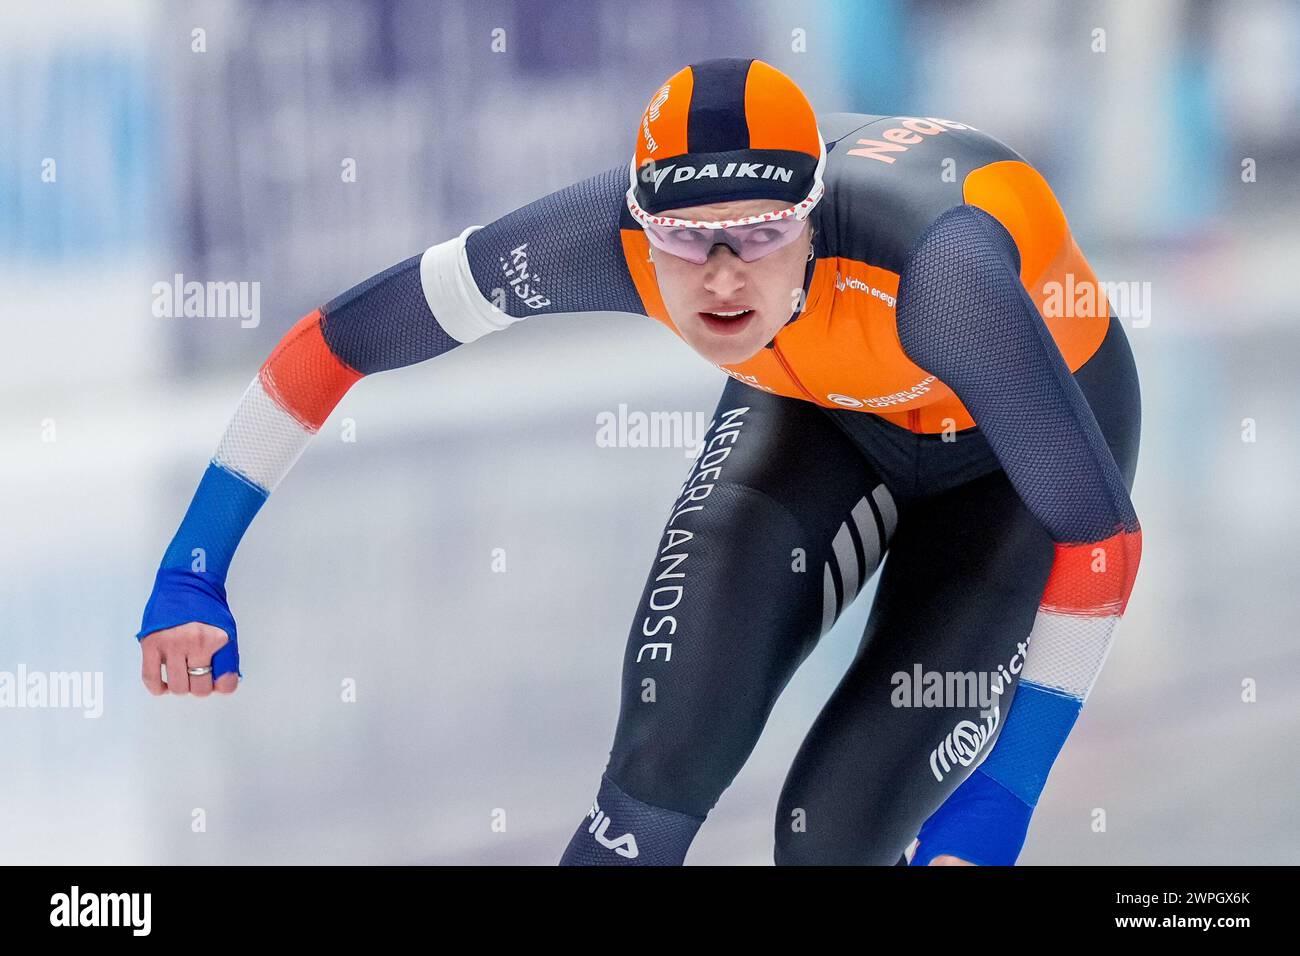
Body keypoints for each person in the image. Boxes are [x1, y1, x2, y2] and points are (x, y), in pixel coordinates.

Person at [136, 57, 1143, 866]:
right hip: (812, 409)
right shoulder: (589, 239)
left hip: (1007, 465)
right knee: (655, 778)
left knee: (832, 833)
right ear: (635, 219)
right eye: (682, 237)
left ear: (816, 213)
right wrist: (193, 566)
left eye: (758, 232)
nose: (718, 276)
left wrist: (1008, 791)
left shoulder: (939, 273)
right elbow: (338, 341)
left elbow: (1098, 540)